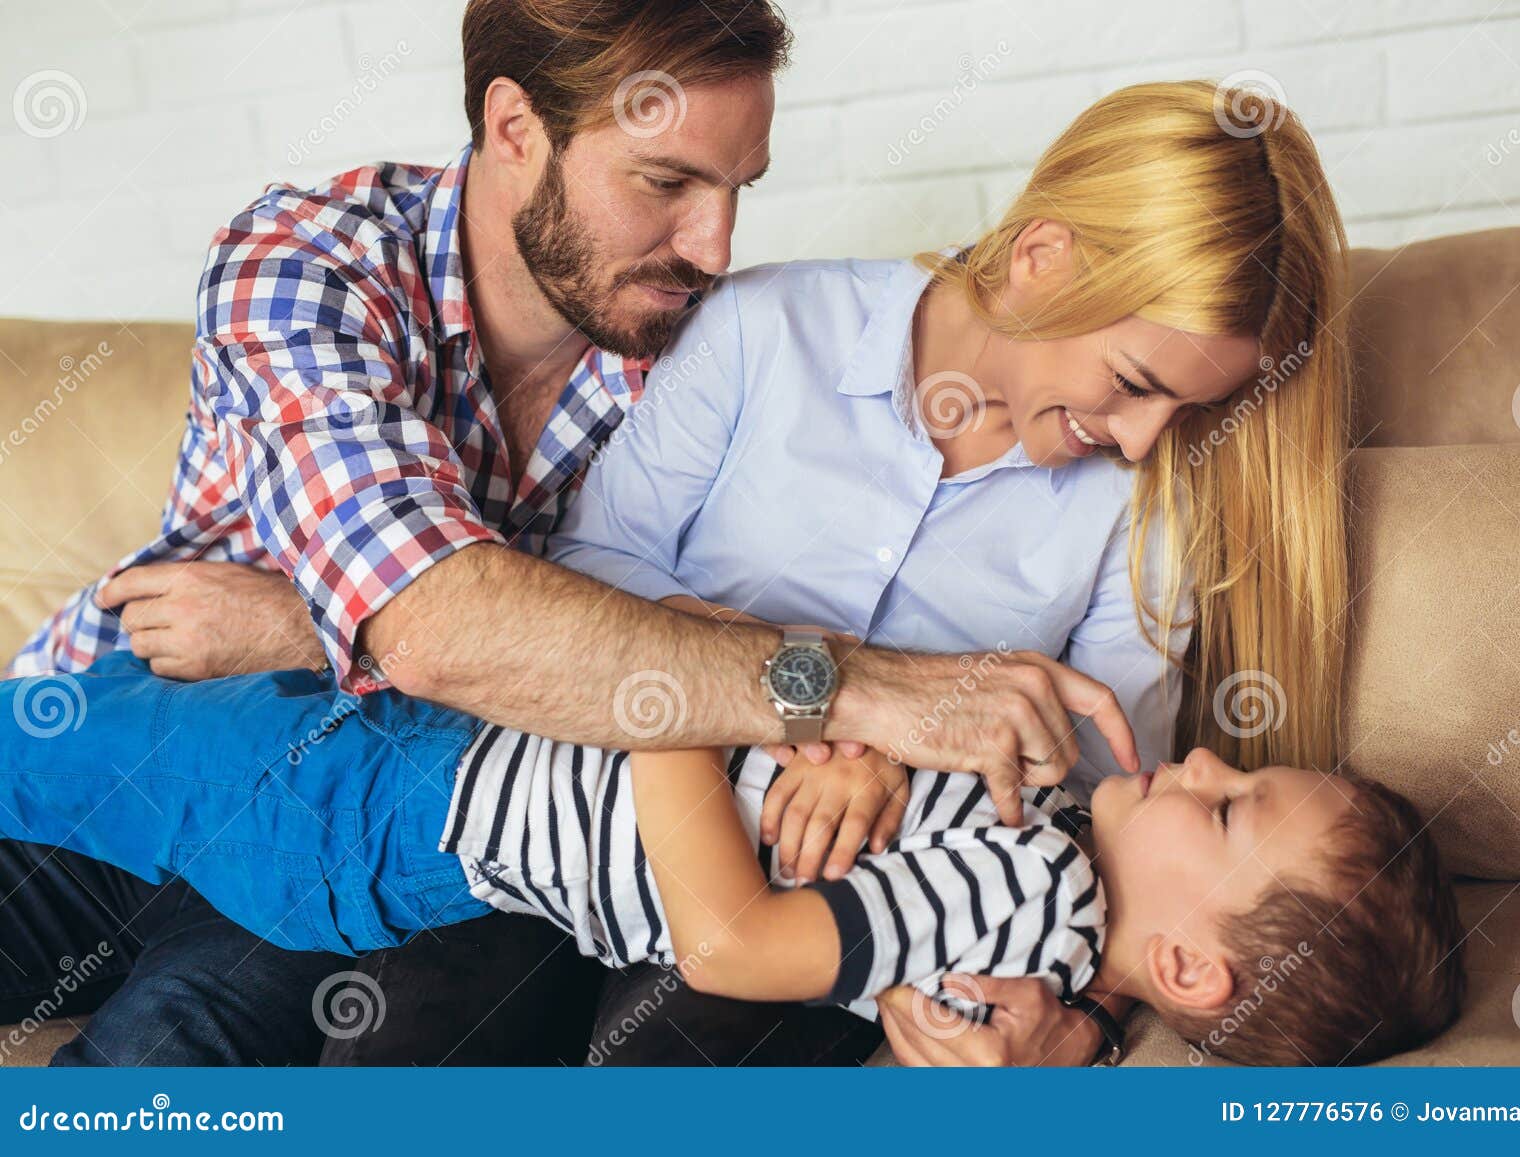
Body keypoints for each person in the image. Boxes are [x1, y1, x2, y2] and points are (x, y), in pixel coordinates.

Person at [2, 0, 1112, 1067]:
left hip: (364, 834)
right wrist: (862, 691)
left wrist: (308, 622)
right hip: (117, 747)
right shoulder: (309, 264)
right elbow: (439, 621)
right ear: (515, 129)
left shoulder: (691, 348)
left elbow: (628, 650)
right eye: (667, 182)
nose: (714, 246)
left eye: (736, 189)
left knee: (163, 1064)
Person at [0, 659, 1466, 1067]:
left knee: (69, 739)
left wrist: (660, 707)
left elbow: (732, 946)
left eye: (1225, 808)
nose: (1200, 759)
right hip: (427, 781)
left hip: (401, 815)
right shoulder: (1044, 870)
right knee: (98, 744)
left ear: (1194, 963)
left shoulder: (1043, 894)